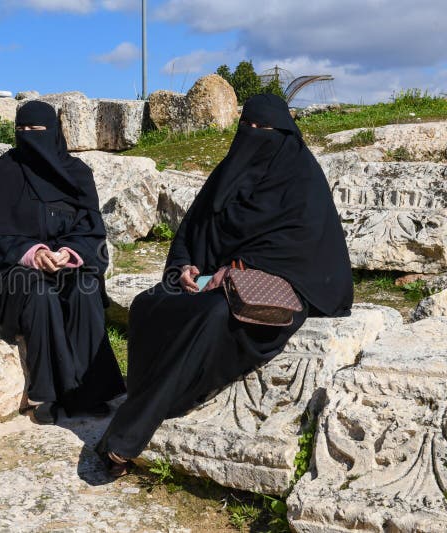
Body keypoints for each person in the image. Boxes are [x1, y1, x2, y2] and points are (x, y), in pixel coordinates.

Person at [95, 93, 353, 476]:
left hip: (272, 285)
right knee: (150, 303)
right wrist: (185, 265)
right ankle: (143, 396)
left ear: (281, 134)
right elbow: (194, 228)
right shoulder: (228, 171)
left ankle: (126, 438)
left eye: (262, 130)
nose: (252, 137)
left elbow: (301, 247)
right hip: (209, 279)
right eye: (245, 128)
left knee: (212, 317)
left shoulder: (301, 179)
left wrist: (240, 270)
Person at [0, 100, 126, 425]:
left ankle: (90, 391)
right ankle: (44, 394)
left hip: (68, 264)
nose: (30, 137)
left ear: (55, 133)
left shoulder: (76, 173)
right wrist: (32, 253)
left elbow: (92, 229)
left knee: (85, 289)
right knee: (39, 295)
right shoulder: (3, 172)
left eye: (38, 130)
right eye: (22, 130)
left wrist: (68, 253)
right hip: (16, 270)